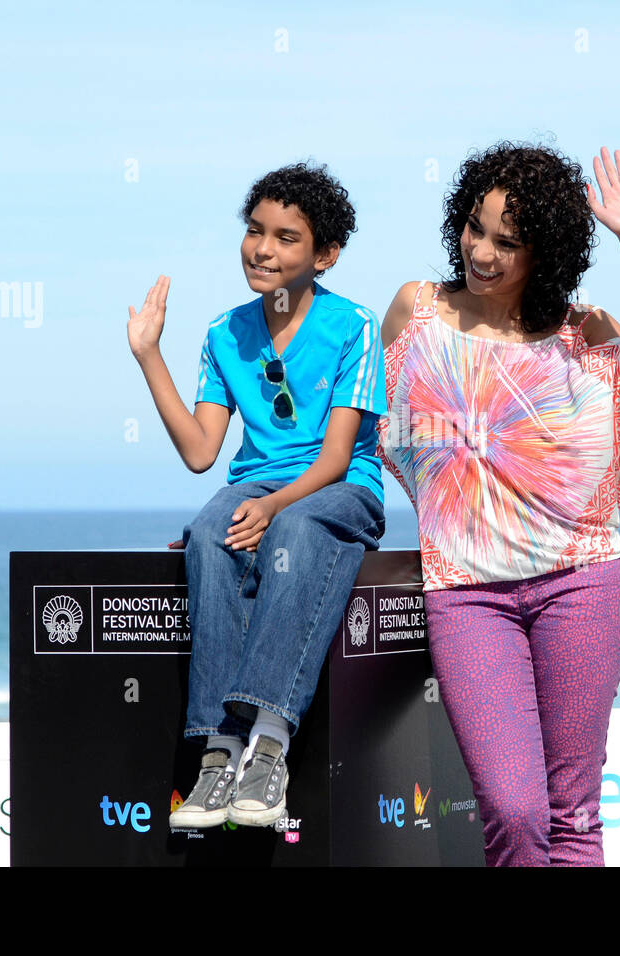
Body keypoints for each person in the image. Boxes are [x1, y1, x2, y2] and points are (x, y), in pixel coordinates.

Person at [378, 142, 620, 865]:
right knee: (513, 810)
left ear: (545, 253)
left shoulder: (586, 334)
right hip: (468, 596)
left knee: (572, 817)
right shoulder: (415, 312)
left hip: (583, 588)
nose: (480, 252)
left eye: (506, 243)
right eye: (474, 229)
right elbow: (365, 426)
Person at [127, 162, 385, 828]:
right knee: (209, 530)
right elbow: (200, 452)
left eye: (286, 237)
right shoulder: (223, 334)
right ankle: (218, 756)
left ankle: (269, 745)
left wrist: (274, 507)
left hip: (339, 489)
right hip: (258, 484)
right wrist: (149, 354)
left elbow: (336, 457)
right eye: (254, 231)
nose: (263, 248)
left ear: (323, 255)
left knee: (296, 533)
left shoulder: (353, 325)